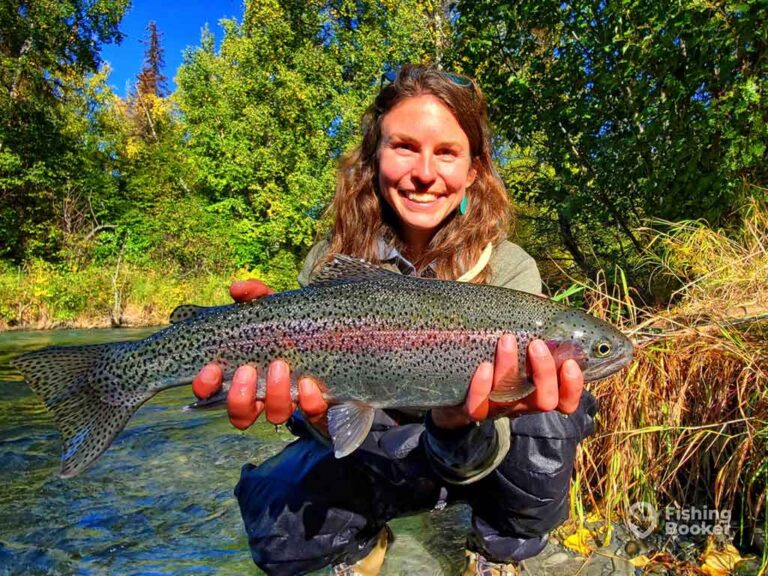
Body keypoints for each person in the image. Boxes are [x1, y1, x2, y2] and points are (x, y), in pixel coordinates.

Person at [192, 64, 597, 576]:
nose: (425, 172)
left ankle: (499, 547)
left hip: (477, 451)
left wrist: (455, 421)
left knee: (560, 405)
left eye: (446, 152)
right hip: (380, 450)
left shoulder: (511, 268)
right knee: (281, 532)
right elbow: (332, 417)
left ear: (472, 171)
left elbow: (491, 444)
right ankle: (366, 540)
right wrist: (312, 415)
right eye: (404, 146)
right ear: (375, 158)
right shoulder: (329, 263)